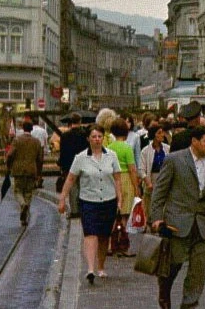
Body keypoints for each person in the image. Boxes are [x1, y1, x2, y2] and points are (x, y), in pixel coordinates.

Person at [151, 125, 205, 309]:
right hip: (178, 221)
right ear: (194, 141)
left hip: (204, 222)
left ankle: (189, 305)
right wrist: (156, 218)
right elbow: (159, 192)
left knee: (199, 267)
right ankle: (165, 285)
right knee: (175, 262)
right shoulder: (174, 160)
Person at [58, 125, 123, 285]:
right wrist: (62, 198)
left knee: (104, 235)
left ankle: (101, 266)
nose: (97, 139)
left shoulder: (112, 156)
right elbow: (71, 179)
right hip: (88, 201)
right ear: (88, 139)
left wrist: (120, 199)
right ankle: (90, 269)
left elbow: (117, 178)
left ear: (103, 138)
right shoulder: (80, 158)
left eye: (99, 136)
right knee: (90, 233)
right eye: (93, 137)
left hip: (108, 200)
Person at [107, 118, 142, 256]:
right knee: (125, 215)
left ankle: (111, 244)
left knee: (114, 214)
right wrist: (136, 187)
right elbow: (132, 169)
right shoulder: (127, 148)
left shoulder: (109, 148)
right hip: (126, 179)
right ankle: (123, 243)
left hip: (113, 180)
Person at [6, 120, 44, 226]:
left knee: (18, 191)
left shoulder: (17, 140)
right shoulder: (36, 142)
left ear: (23, 128)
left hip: (18, 170)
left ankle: (22, 205)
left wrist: (8, 166)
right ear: (31, 129)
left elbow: (10, 155)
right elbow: (40, 159)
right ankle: (25, 217)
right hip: (32, 170)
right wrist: (39, 173)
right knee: (28, 193)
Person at [58, 113, 89, 218]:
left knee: (73, 188)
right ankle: (83, 208)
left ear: (70, 122)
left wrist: (62, 166)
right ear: (80, 121)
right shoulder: (85, 135)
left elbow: (63, 152)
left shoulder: (65, 135)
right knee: (83, 187)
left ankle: (75, 211)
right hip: (84, 164)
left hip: (70, 165)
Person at [139, 124, 169, 226]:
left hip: (164, 178)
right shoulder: (146, 151)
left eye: (162, 132)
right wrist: (148, 183)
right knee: (151, 205)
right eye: (159, 133)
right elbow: (141, 169)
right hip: (152, 178)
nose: (162, 135)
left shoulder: (167, 148)